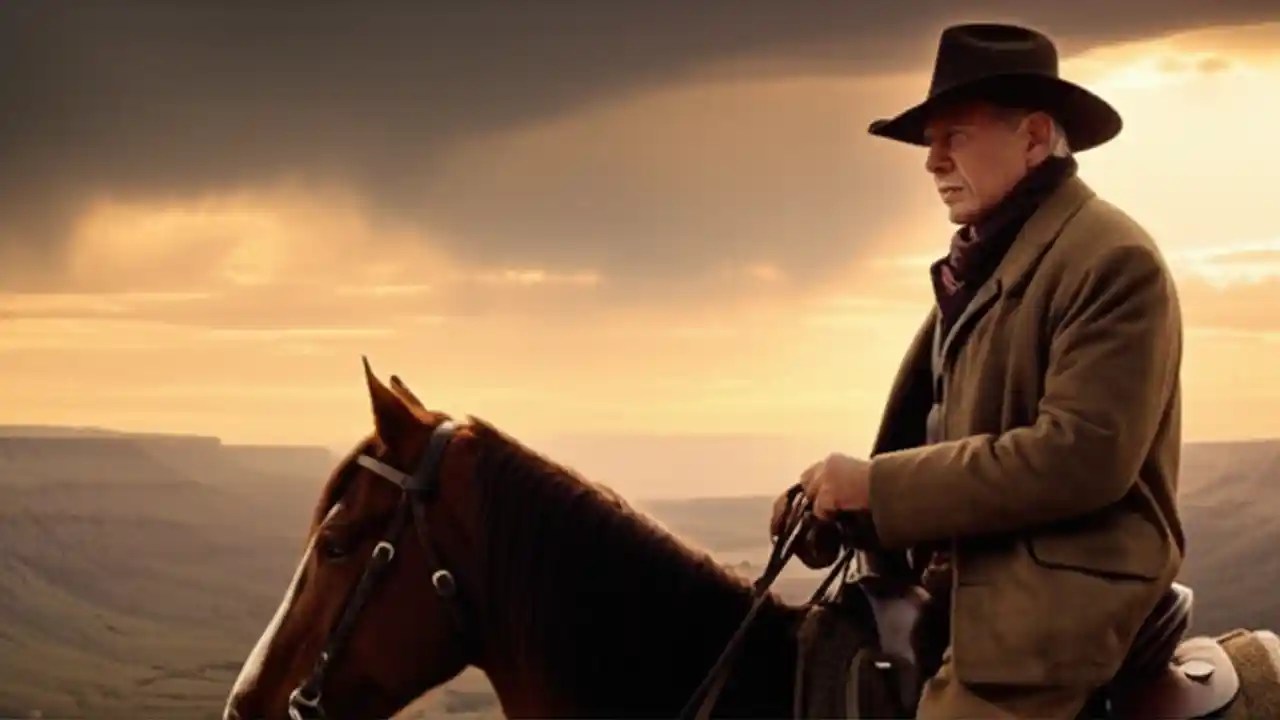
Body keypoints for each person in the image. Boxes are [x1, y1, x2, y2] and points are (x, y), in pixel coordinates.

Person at [770, 22, 1186, 719]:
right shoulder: (987, 266)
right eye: (930, 142)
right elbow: (945, 440)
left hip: (1058, 597)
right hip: (965, 580)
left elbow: (1080, 458)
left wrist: (877, 485)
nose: (932, 162)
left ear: (1033, 137)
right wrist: (845, 504)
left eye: (954, 136)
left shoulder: (1112, 259)